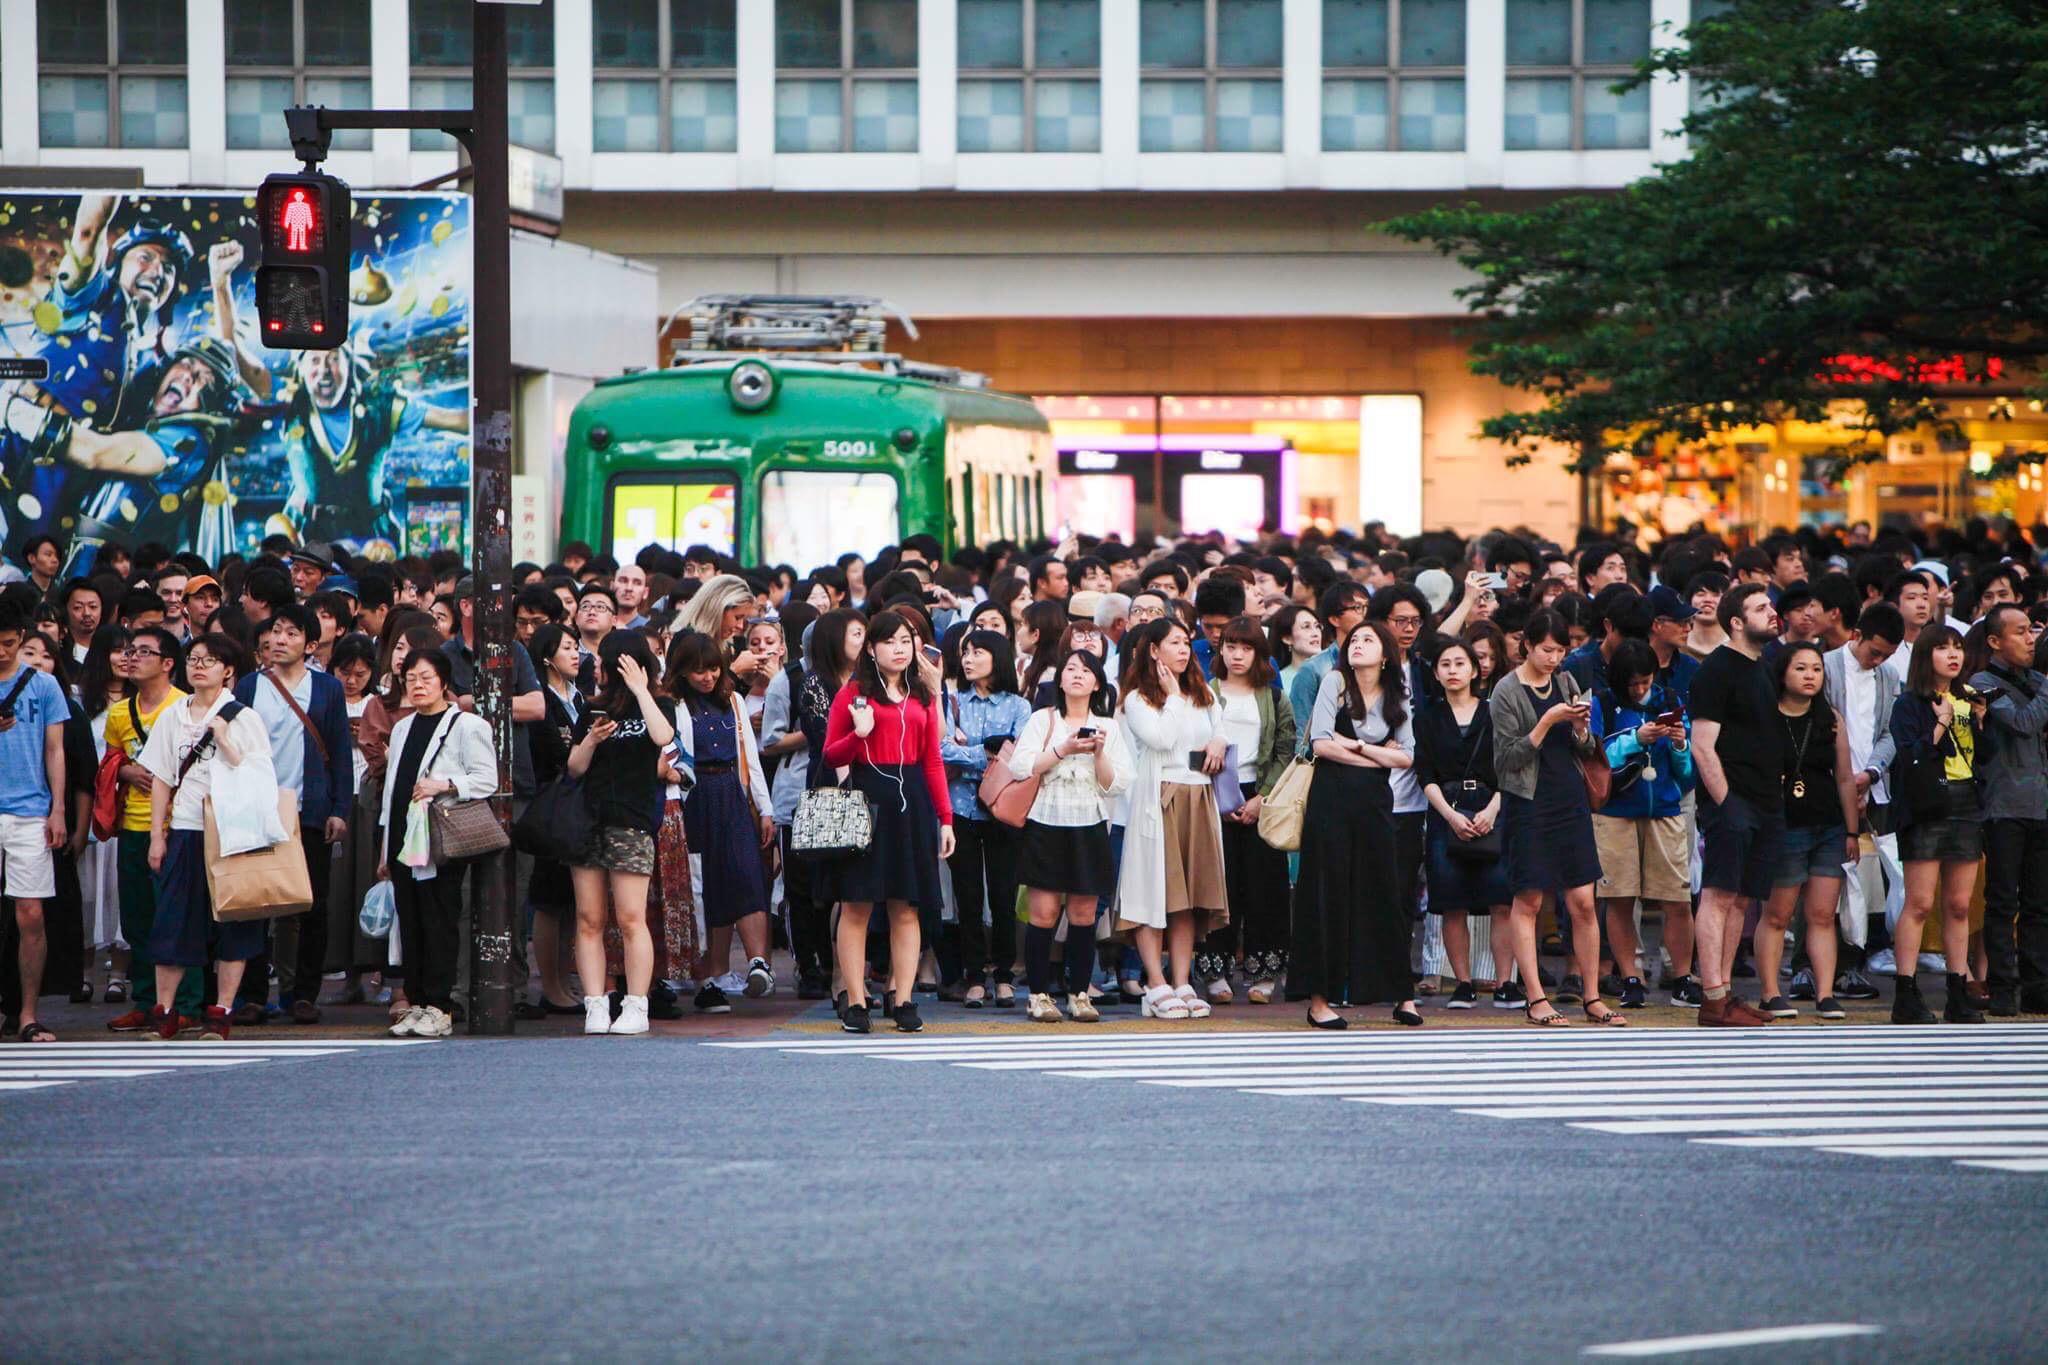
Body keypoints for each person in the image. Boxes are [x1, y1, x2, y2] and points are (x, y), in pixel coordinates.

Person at [821, 609, 955, 1034]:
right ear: (872, 649)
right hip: (865, 798)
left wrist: (945, 818)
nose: (899, 649)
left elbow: (933, 759)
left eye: (905, 641)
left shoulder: (922, 695)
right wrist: (858, 733)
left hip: (911, 800)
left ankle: (904, 997)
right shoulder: (854, 693)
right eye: (890, 642)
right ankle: (857, 1000)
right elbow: (831, 755)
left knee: (906, 907)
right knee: (857, 904)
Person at [1491, 608, 1623, 1028]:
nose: (1553, 658)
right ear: (1527, 645)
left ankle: (1592, 996)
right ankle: (1534, 997)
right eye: (1546, 649)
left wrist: (1583, 731)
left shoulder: (1566, 681)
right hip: (1527, 801)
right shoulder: (1506, 691)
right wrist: (1547, 721)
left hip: (1569, 798)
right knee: (1529, 899)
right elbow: (1507, 759)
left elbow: (1585, 749)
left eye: (1561, 650)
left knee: (1583, 901)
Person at [138, 633, 272, 1041]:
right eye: (194, 658)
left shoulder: (244, 717)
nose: (199, 666)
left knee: (234, 922)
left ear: (228, 670)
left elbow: (261, 775)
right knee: (174, 920)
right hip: (186, 828)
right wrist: (156, 836)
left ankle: (222, 1010)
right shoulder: (173, 715)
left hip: (233, 833)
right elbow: (161, 778)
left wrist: (226, 739)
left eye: (210, 660)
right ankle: (165, 1011)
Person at [234, 603, 352, 1024]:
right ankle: (251, 994)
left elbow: (339, 751)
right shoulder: (249, 687)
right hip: (257, 809)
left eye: (291, 634)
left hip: (309, 809)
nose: (281, 640)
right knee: (254, 901)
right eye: (276, 632)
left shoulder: (326, 690)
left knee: (311, 905)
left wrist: (340, 808)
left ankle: (303, 994)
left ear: (311, 644)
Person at [1294, 620, 1414, 1027]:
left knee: (1384, 891)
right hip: (1332, 800)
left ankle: (1401, 995)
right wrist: (1378, 753)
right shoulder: (1334, 682)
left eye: (1369, 640)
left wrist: (1359, 745)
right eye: (1354, 639)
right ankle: (1319, 1000)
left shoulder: (1397, 692)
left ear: (1385, 654)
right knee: (1327, 895)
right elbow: (1322, 744)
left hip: (1376, 804)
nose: (1358, 645)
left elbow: (1407, 757)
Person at [1008, 649, 1132, 1022]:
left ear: (1097, 683)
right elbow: (1021, 767)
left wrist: (1097, 754)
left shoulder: (1108, 727)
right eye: (1070, 669)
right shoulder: (1042, 719)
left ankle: (1080, 993)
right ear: (1059, 679)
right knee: (1043, 913)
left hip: (1089, 824)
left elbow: (1117, 785)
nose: (1077, 674)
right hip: (1046, 821)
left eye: (1086, 670)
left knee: (1083, 914)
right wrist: (1063, 748)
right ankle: (1039, 994)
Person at [377, 651, 496, 1039]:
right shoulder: (401, 728)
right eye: (410, 678)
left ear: (443, 681)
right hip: (402, 838)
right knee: (409, 922)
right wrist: (383, 850)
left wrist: (444, 784)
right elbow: (391, 791)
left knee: (439, 918)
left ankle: (440, 1006)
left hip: (438, 837)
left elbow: (486, 779)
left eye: (426, 677)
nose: (417, 685)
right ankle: (417, 1001)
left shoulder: (467, 725)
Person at [1115, 618, 1229, 1021]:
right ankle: (1155, 981)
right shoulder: (1138, 698)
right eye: (1175, 643)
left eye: (1186, 642)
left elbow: (1220, 729)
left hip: (1198, 796)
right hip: (1159, 798)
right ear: (1153, 650)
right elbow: (1160, 738)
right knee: (1152, 893)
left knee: (1187, 899)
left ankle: (1181, 980)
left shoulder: (1203, 692)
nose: (1184, 650)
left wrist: (1218, 739)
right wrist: (1173, 696)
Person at [1688, 583, 1790, 1029]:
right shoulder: (1717, 670)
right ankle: (1711, 996)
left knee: (1743, 899)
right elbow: (1702, 746)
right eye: (1760, 607)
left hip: (1767, 801)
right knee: (1719, 895)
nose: (1772, 612)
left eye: (1770, 605)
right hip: (1733, 801)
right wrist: (1726, 802)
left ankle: (1725, 993)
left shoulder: (1764, 667)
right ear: (1736, 621)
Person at [566, 631, 678, 1036]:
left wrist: (641, 690)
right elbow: (575, 767)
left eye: (601, 663)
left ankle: (637, 1003)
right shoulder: (591, 710)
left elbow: (664, 738)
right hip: (589, 821)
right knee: (589, 917)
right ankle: (595, 1004)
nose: (595, 668)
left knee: (632, 917)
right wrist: (592, 740)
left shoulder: (660, 704)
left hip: (632, 821)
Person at [1888, 624, 1995, 1025]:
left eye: (1958, 648)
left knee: (1958, 903)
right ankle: (1906, 992)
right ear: (1924, 655)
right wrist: (1939, 725)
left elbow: (1986, 756)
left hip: (1967, 804)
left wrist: (1980, 722)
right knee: (1919, 903)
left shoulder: (1969, 698)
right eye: (1943, 648)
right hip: (1925, 807)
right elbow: (1907, 756)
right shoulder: (1909, 703)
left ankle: (1958, 988)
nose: (1954, 655)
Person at [1752, 642, 1859, 1021]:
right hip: (1784, 826)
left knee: (1822, 914)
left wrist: (1852, 830)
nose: (1811, 675)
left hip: (1828, 824)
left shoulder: (1830, 718)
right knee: (1778, 914)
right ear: (1782, 673)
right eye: (1800, 668)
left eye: (1816, 668)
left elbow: (1845, 778)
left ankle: (1825, 993)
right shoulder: (1766, 716)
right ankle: (1770, 992)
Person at [669, 630, 775, 1010]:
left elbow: (751, 758)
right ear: (681, 671)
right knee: (701, 886)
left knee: (745, 873)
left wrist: (765, 808)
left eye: (713, 668)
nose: (708, 677)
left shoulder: (732, 701)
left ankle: (758, 962)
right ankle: (708, 977)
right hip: (693, 797)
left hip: (731, 789)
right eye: (698, 670)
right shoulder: (675, 704)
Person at [1589, 640, 1695, 1012]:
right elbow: (1596, 754)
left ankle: (1683, 977)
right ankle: (1630, 977)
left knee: (1677, 898)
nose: (1639, 689)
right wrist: (1636, 738)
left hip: (1664, 808)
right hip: (1615, 811)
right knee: (1619, 898)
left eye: (1645, 681)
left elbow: (1687, 773)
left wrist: (1680, 744)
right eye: (1632, 683)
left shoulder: (1669, 700)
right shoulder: (1602, 702)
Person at [100, 625, 195, 1032]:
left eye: (143, 652)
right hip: (133, 826)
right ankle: (145, 999)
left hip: (178, 826)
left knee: (177, 916)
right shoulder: (120, 712)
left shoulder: (186, 706)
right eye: (129, 651)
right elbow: (108, 763)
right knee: (137, 916)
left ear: (168, 663)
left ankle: (187, 1001)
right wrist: (123, 770)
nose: (132, 657)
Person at [1416, 637, 1515, 1010]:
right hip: (1447, 808)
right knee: (1451, 901)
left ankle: (1506, 981)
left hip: (1492, 804)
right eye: (1445, 664)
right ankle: (1462, 982)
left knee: (1502, 900)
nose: (1453, 670)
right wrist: (1451, 815)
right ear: (1437, 673)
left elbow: (1511, 767)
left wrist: (1492, 810)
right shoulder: (1427, 718)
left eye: (1460, 663)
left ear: (1475, 670)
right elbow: (1424, 773)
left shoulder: (1495, 713)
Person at [939, 628, 1031, 1009]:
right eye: (966, 653)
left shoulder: (1018, 705)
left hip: (1003, 809)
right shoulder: (953, 701)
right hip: (961, 808)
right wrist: (985, 753)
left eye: (977, 652)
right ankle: (974, 976)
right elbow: (942, 750)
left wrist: (973, 752)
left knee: (1004, 894)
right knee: (968, 895)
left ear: (998, 658)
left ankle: (1005, 975)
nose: (969, 659)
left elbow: (1021, 757)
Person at [1208, 615, 1296, 1004]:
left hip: (1262, 796)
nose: (1237, 655)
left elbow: (1285, 749)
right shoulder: (1204, 693)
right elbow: (1194, 747)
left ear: (1260, 654)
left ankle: (1265, 972)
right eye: (1230, 646)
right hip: (1213, 794)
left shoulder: (1275, 696)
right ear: (1220, 649)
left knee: (1266, 887)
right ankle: (1215, 969)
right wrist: (1220, 796)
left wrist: (1263, 796)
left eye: (1246, 648)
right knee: (1218, 887)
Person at [1820, 601, 1903, 1003]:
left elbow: (1890, 732)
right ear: (1857, 635)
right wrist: (1841, 778)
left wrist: (1870, 774)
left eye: (1886, 655)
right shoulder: (1825, 666)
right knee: (1819, 877)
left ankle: (1852, 962)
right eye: (1875, 652)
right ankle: (1807, 964)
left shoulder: (1888, 677)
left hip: (1871, 786)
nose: (1879, 661)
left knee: (1863, 878)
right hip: (1825, 785)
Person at [1969, 603, 2048, 1016]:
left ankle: (2037, 985)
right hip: (2003, 808)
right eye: (2019, 632)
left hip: (2041, 805)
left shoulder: (2036, 679)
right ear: (1995, 641)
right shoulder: (1982, 682)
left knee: (2039, 904)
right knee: (2002, 901)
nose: (2030, 639)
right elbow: (2023, 722)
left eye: (2032, 630)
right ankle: (2003, 985)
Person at [0, 602, 70, 1041]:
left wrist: (58, 807)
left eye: (9, 644)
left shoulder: (43, 685)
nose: (3, 652)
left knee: (31, 914)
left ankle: (27, 1012)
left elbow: (56, 750)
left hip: (30, 808)